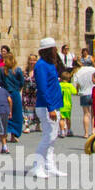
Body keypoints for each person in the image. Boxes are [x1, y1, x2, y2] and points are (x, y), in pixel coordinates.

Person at [32, 39, 64, 179]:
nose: (55, 51)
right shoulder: (41, 65)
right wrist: (51, 108)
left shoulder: (50, 64)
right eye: (53, 49)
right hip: (46, 106)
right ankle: (37, 166)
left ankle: (49, 166)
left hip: (54, 104)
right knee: (48, 136)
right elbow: (43, 88)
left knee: (53, 137)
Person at [0, 51, 25, 142]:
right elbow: (22, 82)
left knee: (5, 114)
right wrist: (18, 88)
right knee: (16, 115)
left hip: (5, 93)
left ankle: (4, 134)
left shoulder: (1, 70)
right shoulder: (17, 70)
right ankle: (14, 135)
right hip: (15, 93)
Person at [74, 57, 95, 138]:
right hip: (94, 92)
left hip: (84, 93)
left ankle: (86, 133)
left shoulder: (77, 73)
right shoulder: (91, 69)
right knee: (93, 114)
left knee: (86, 114)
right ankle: (93, 130)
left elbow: (74, 85)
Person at [22, 53, 39, 133]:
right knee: (26, 109)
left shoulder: (38, 71)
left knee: (36, 109)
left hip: (36, 93)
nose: (32, 62)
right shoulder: (25, 71)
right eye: (31, 60)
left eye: (34, 60)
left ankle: (37, 124)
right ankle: (27, 125)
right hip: (26, 92)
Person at [58, 69, 76, 138]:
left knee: (61, 118)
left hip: (61, 104)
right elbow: (74, 92)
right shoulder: (70, 85)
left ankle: (62, 131)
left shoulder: (59, 85)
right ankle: (69, 130)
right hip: (68, 104)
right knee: (68, 118)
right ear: (68, 79)